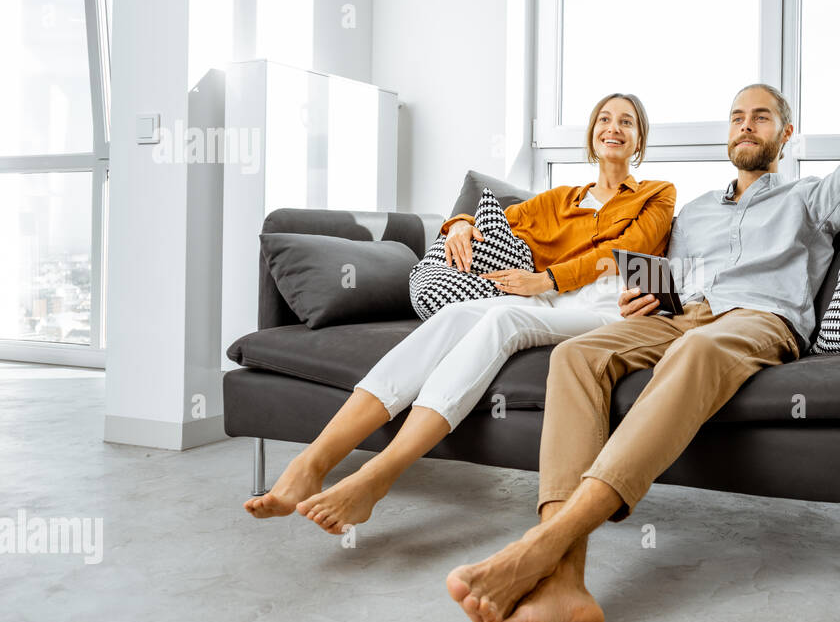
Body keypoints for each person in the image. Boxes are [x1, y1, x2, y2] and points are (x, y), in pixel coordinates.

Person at [446, 22, 840, 622]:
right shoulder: (692, 211)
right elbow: (665, 281)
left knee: (696, 350)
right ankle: (565, 589)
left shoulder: (810, 198)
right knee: (578, 354)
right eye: (736, 117)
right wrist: (647, 296)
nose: (746, 125)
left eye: (761, 117)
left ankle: (541, 545)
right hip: (684, 317)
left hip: (758, 321)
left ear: (785, 134)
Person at [244, 93, 676, 533]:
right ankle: (311, 462)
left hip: (604, 305)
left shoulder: (658, 194)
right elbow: (498, 216)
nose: (613, 128)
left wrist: (545, 281)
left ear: (639, 139)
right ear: (591, 135)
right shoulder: (561, 199)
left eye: (626, 122)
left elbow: (625, 251)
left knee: (503, 320)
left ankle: (378, 476)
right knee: (454, 316)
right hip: (548, 298)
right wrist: (461, 224)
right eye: (604, 119)